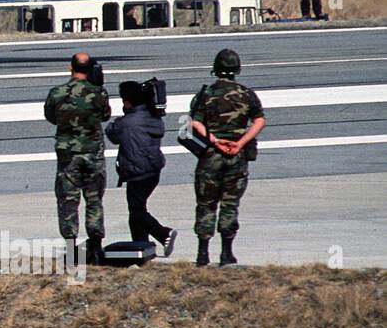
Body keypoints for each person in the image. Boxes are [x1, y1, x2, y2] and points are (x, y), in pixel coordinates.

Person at [190, 49, 266, 267]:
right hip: (237, 156)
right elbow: (259, 121)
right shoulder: (246, 93)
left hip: (211, 156)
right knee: (230, 203)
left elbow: (195, 123)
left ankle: (203, 253)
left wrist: (214, 141)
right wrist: (240, 142)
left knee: (206, 204)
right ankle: (226, 253)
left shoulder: (205, 94)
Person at [44, 52, 111, 265]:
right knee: (94, 200)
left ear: (70, 68)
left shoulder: (57, 93)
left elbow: (51, 117)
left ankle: (72, 251)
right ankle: (96, 247)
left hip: (68, 155)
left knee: (68, 202)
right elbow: (106, 116)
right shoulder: (99, 93)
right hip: (93, 154)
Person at [105, 80, 176, 256]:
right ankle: (142, 246)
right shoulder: (152, 117)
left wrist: (123, 116)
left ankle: (163, 233)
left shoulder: (128, 122)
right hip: (153, 170)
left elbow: (112, 133)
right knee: (137, 210)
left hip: (138, 172)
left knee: (137, 211)